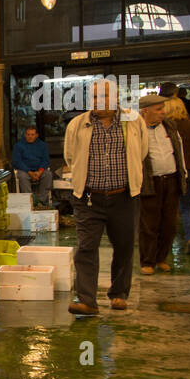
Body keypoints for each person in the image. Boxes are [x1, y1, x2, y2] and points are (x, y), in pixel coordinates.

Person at [63, 79, 146, 315]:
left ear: (117, 98)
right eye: (95, 97)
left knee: (124, 246)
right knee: (86, 248)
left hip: (124, 197)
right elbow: (71, 157)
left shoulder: (133, 120)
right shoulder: (78, 124)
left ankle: (119, 294)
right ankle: (87, 300)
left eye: (105, 96)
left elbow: (142, 151)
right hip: (88, 198)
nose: (100, 102)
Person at [138, 93, 187, 274]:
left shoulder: (170, 126)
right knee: (149, 224)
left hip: (171, 179)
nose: (162, 113)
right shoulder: (137, 129)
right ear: (145, 111)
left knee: (170, 223)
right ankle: (147, 261)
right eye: (158, 110)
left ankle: (162, 258)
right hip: (150, 182)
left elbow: (179, 150)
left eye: (162, 109)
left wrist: (183, 175)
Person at [165, 95, 190, 253]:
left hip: (170, 172)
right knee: (187, 207)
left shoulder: (165, 127)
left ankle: (166, 243)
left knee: (168, 209)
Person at [12, 125, 52, 207]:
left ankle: (41, 201)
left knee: (48, 175)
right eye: (28, 134)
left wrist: (39, 172)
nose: (30, 136)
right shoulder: (18, 146)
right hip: (25, 170)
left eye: (32, 134)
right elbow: (17, 161)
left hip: (39, 170)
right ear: (25, 135)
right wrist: (29, 172)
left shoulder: (42, 145)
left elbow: (45, 160)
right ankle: (30, 201)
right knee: (22, 176)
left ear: (36, 135)